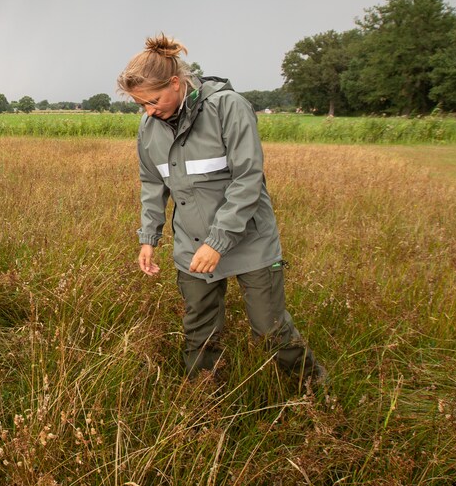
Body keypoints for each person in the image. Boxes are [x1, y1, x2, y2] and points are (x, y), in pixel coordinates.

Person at [119, 33, 326, 386]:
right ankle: (203, 401)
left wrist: (217, 242)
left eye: (153, 101)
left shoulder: (228, 107)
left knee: (269, 330)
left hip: (249, 240)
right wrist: (148, 237)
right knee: (199, 332)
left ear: (175, 83)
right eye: (141, 106)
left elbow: (248, 179)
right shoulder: (149, 128)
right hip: (192, 244)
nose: (149, 111)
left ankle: (314, 384)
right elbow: (153, 184)